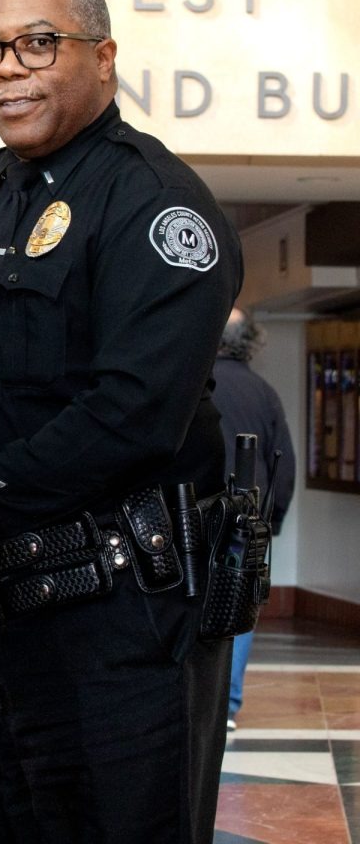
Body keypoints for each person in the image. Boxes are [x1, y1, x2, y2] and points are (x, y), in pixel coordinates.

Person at [0, 0, 243, 843]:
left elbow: (132, 418)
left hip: (117, 621)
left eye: (37, 42)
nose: (6, 68)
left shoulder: (157, 205)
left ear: (103, 58)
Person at [213, 308, 296, 731]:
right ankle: (226, 705)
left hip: (195, 511)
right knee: (241, 604)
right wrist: (273, 519)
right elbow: (283, 463)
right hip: (248, 518)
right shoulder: (263, 393)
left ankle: (202, 698)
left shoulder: (193, 384)